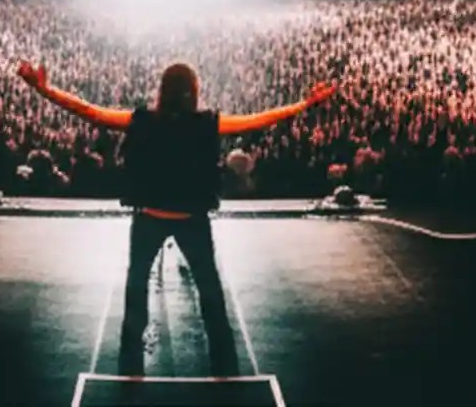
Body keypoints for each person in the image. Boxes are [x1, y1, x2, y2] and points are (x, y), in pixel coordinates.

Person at [17, 60, 336, 376]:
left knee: (136, 293)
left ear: (162, 90)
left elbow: (89, 111)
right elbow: (260, 120)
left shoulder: (141, 120)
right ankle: (225, 369)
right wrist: (306, 103)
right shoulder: (208, 123)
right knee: (210, 295)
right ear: (194, 91)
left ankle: (130, 368)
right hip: (192, 218)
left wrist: (44, 89)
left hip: (149, 217)